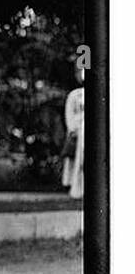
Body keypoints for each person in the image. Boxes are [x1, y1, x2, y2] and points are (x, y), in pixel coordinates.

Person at [62, 64, 84, 199]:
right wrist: (73, 129)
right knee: (78, 161)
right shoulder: (75, 95)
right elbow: (69, 114)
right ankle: (77, 189)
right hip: (79, 130)